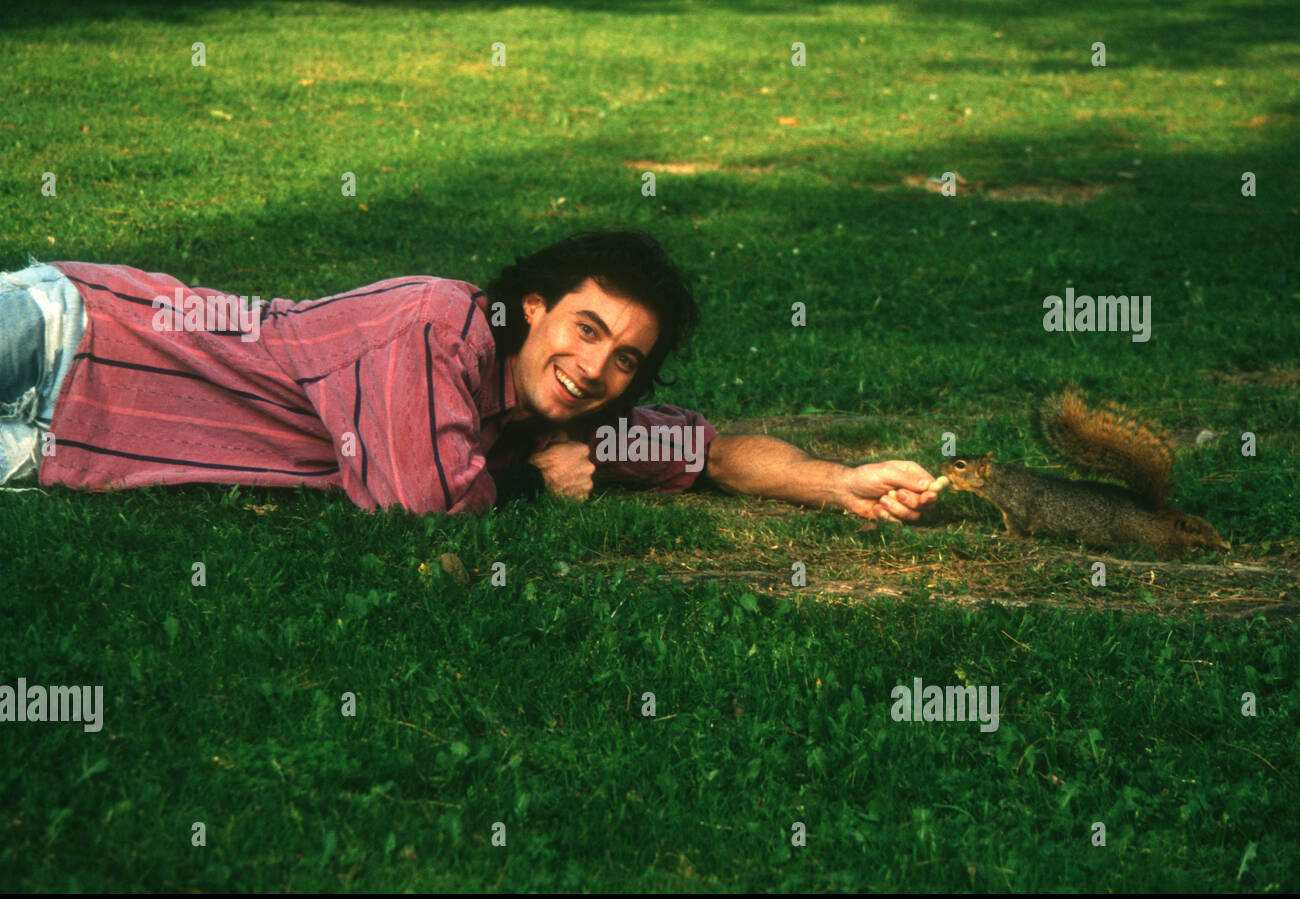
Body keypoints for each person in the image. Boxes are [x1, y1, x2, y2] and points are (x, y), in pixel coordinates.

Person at [0, 229, 938, 522]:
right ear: (534, 308)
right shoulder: (438, 324)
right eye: (585, 328)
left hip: (48, 440)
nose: (594, 368)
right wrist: (532, 482)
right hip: (70, 333)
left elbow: (715, 454)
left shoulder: (554, 409)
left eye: (625, 360)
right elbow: (415, 501)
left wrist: (836, 483)